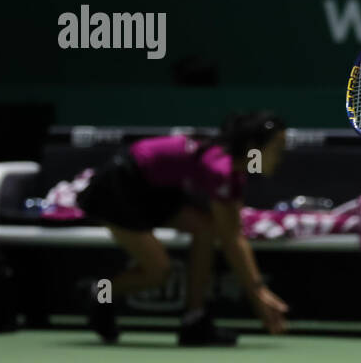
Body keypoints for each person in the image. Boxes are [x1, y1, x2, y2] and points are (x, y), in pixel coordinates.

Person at [77, 112, 291, 346]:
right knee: (159, 272)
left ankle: (194, 319)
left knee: (206, 227)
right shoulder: (221, 169)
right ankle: (100, 292)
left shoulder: (236, 170)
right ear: (253, 148)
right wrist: (258, 294)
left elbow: (230, 231)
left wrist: (257, 292)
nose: (281, 157)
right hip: (119, 186)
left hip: (153, 187)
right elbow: (232, 240)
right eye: (278, 148)